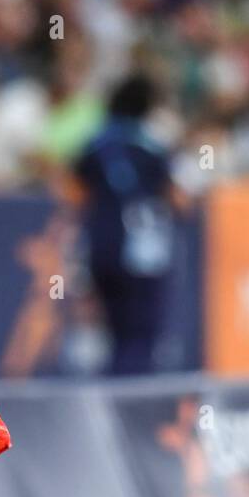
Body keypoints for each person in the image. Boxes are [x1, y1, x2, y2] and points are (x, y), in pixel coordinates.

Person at [68, 74, 176, 376]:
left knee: (112, 331)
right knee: (140, 334)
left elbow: (74, 192)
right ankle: (132, 408)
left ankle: (114, 395)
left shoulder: (94, 143)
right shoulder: (152, 145)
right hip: (140, 253)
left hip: (101, 247)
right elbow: (176, 198)